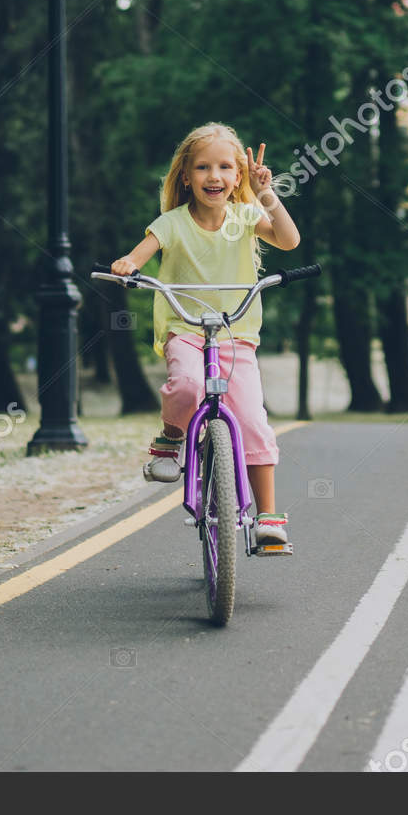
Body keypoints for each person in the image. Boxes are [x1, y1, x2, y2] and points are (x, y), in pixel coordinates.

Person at [111, 123, 302, 547]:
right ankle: (172, 436)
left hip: (237, 335)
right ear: (185, 176)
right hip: (186, 329)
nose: (213, 176)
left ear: (237, 177)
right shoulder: (172, 223)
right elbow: (139, 255)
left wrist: (265, 191)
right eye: (202, 167)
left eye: (224, 167)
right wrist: (127, 264)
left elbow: (289, 240)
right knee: (188, 384)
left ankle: (268, 515)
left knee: (253, 419)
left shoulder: (246, 216)